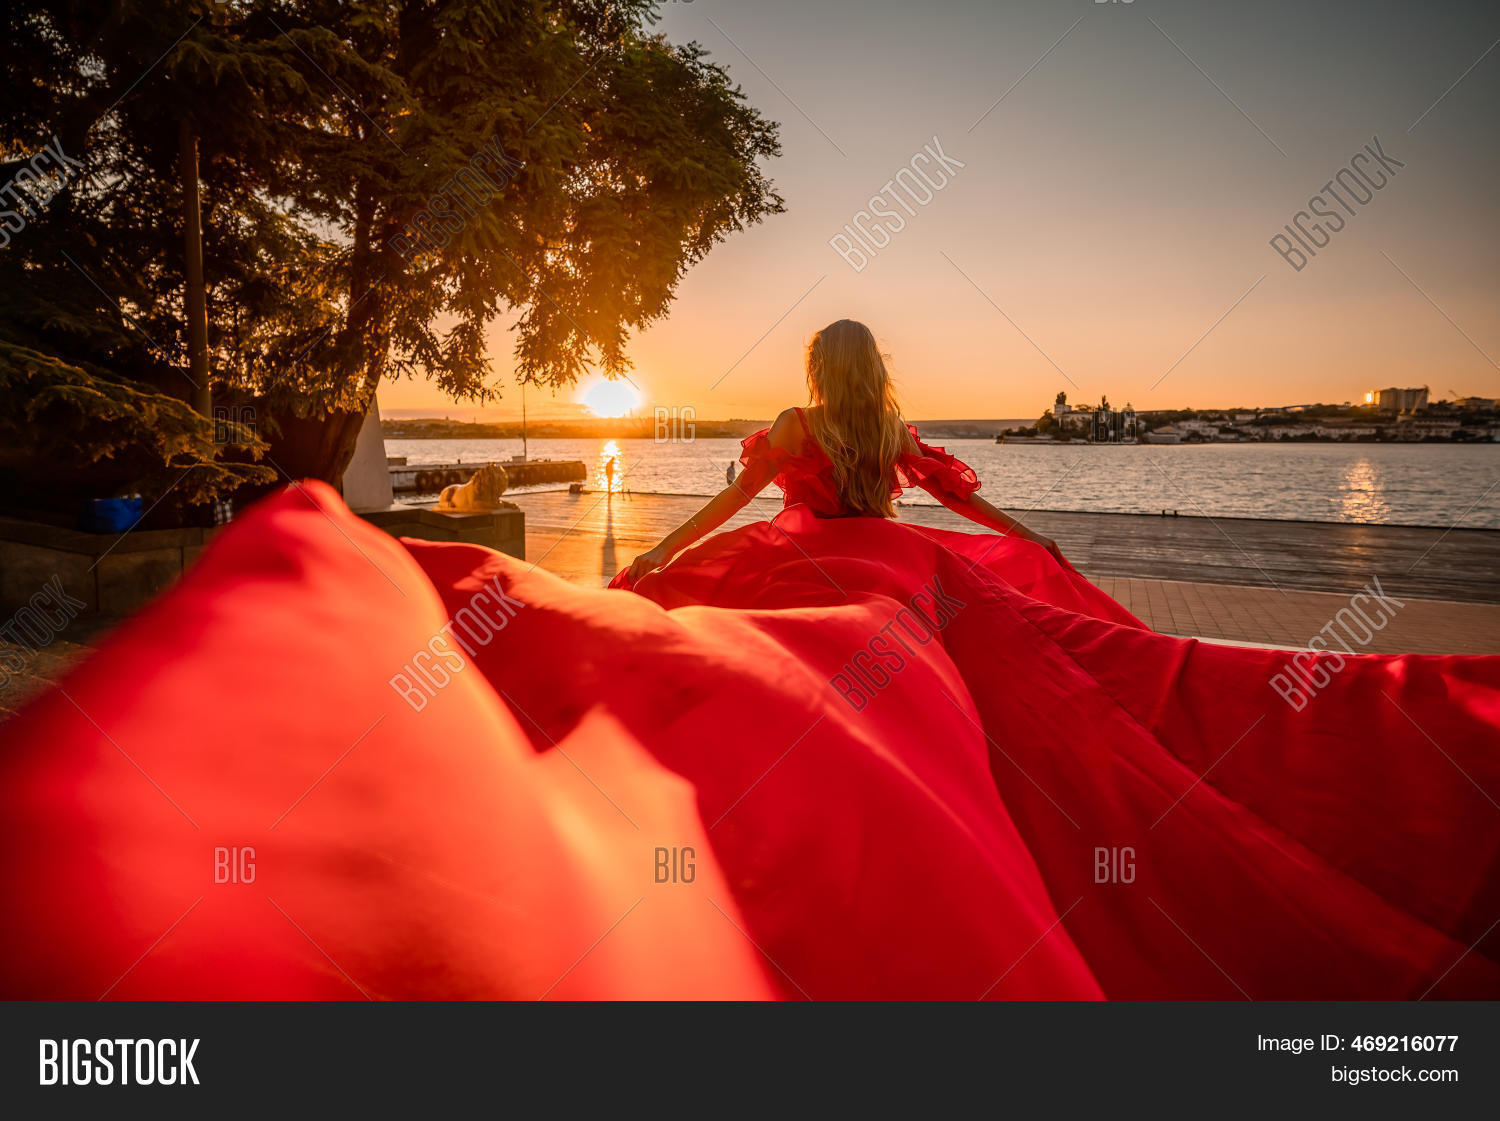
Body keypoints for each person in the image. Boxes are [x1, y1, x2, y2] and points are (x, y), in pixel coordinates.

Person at [624, 319, 1061, 585]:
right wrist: (1029, 538)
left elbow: (739, 494)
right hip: (882, 556)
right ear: (874, 367)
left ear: (818, 367)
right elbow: (953, 494)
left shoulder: (797, 422)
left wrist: (666, 549)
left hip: (803, 558)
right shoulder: (887, 427)